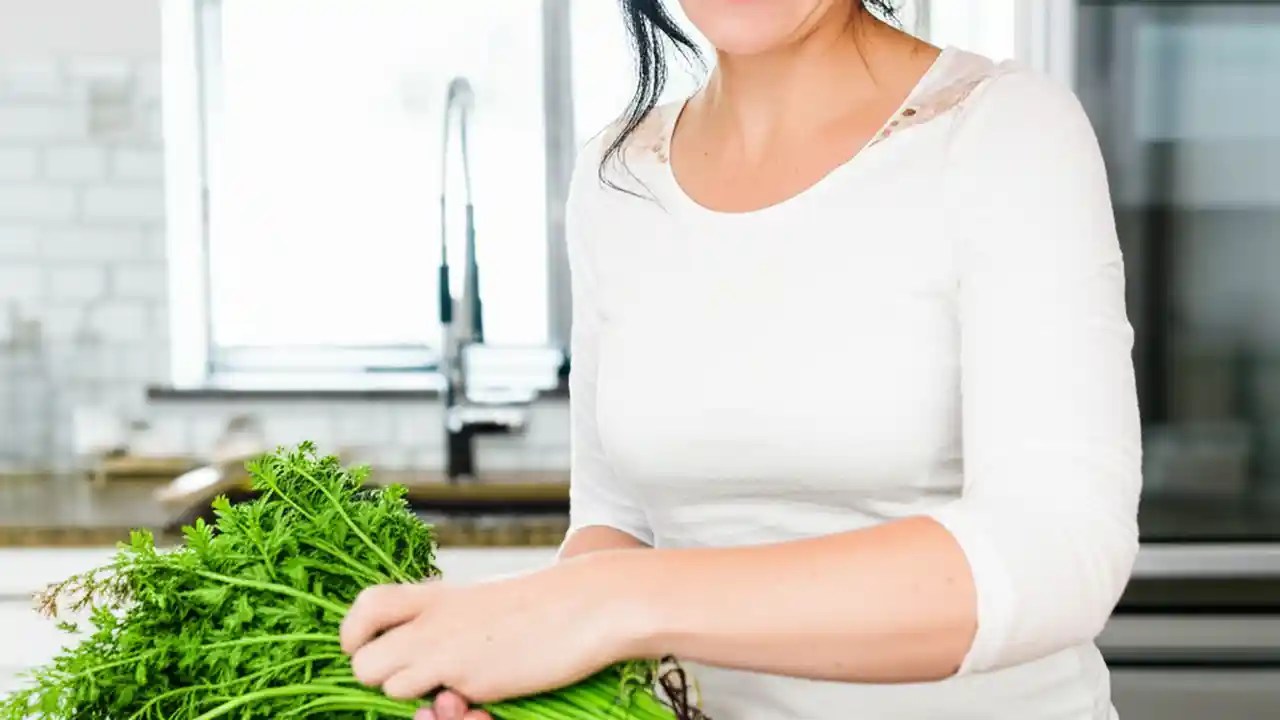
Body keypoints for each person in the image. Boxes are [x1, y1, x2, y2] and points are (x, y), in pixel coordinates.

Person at [339, 1, 1143, 718]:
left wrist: (608, 602)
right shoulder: (617, 175)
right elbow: (616, 524)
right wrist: (552, 698)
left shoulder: (1002, 130)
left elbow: (1056, 550)